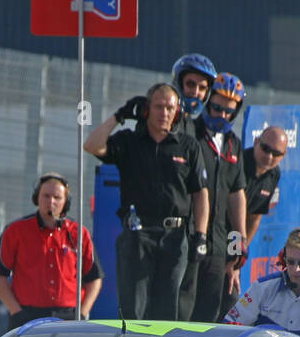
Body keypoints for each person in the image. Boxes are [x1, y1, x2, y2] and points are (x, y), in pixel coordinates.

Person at [84, 83, 209, 320]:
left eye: (169, 108)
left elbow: (200, 194)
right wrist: (119, 116)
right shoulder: (129, 142)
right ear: (146, 110)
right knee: (133, 309)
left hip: (175, 236)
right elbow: (92, 145)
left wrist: (201, 235)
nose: (164, 113)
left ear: (177, 112)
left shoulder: (188, 146)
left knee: (167, 309)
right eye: (158, 107)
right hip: (137, 235)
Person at [179, 72, 248, 322]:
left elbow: (236, 194)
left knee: (211, 309)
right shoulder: (190, 133)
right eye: (217, 108)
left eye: (228, 111)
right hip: (190, 236)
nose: (222, 115)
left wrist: (239, 242)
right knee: (184, 307)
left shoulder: (233, 144)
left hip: (218, 242)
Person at [0, 173, 100, 327]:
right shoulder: (16, 230)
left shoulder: (79, 233)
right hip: (27, 315)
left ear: (66, 202)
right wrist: (15, 311)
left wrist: (83, 313)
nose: (51, 202)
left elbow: (94, 278)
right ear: (36, 198)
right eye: (46, 196)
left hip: (68, 316)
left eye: (57, 197)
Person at [222, 126, 288, 319]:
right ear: (256, 142)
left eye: (276, 153)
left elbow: (255, 217)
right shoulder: (239, 162)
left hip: (235, 241)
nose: (269, 157)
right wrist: (232, 254)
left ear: (283, 155)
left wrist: (238, 255)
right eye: (266, 149)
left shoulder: (273, 174)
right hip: (218, 233)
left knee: (230, 299)